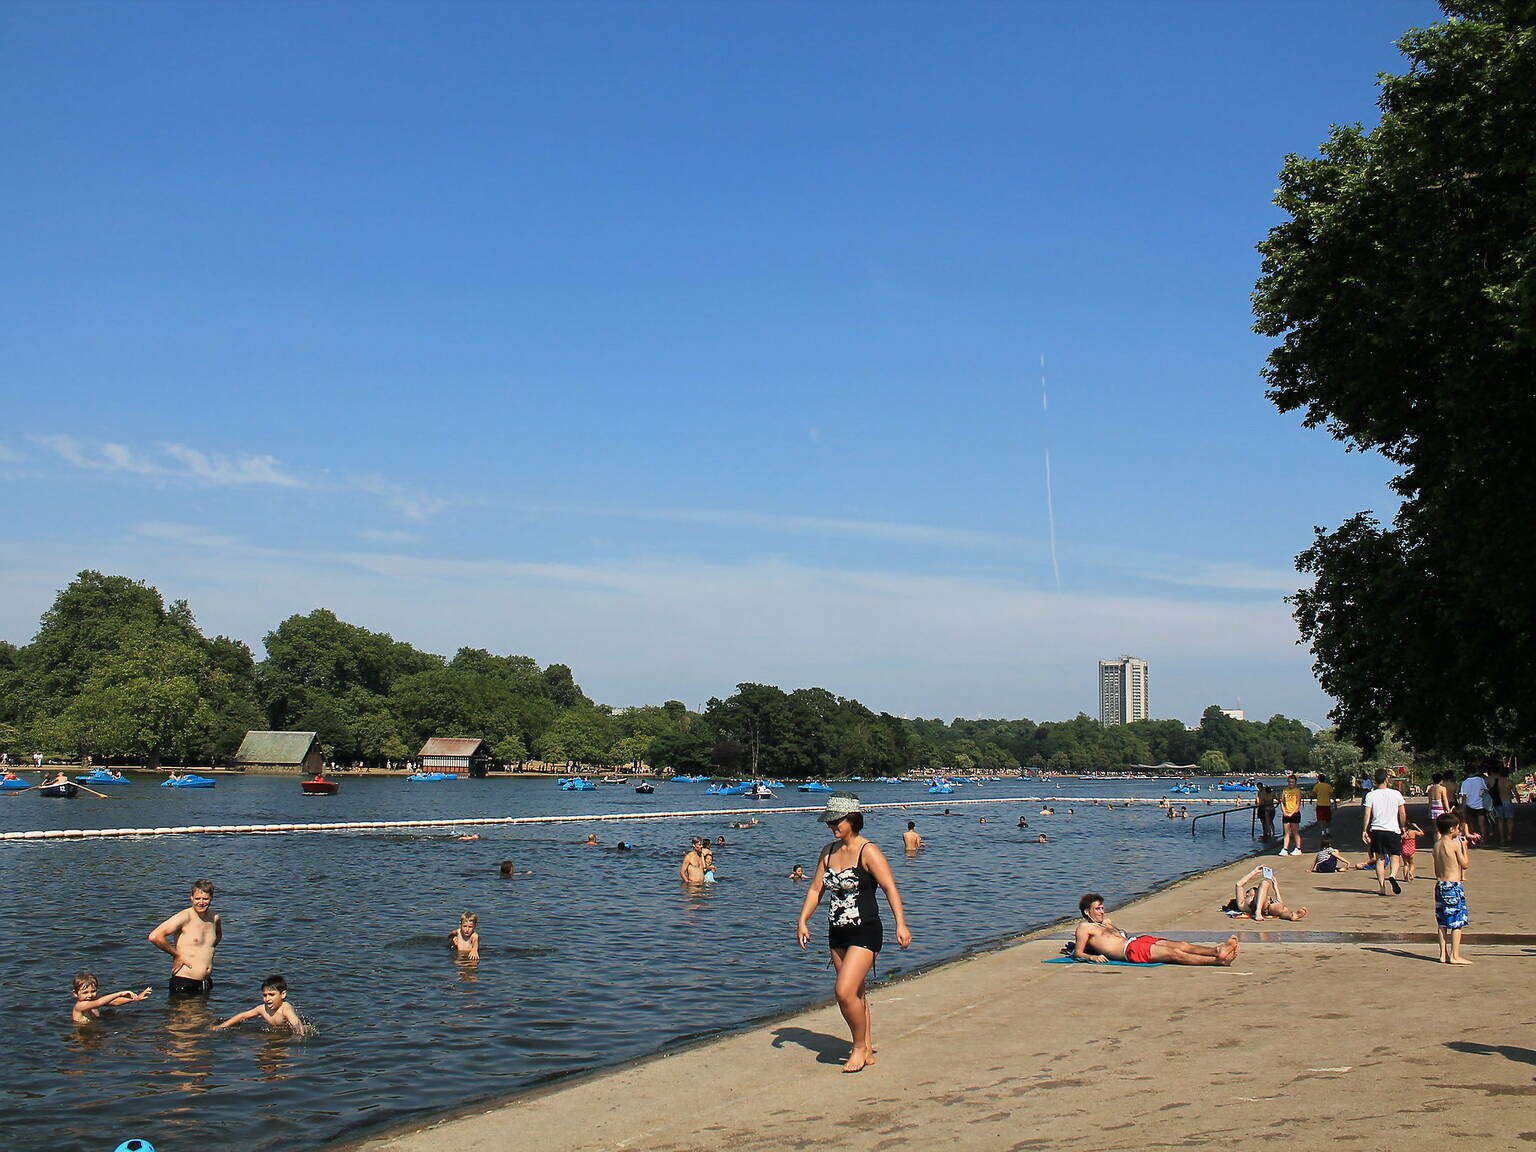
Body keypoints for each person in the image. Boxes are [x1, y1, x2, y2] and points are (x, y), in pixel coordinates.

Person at [795, 793, 911, 1074]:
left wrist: (901, 924)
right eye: (829, 821)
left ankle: (857, 1047)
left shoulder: (868, 851)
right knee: (856, 993)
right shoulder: (828, 851)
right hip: (836, 931)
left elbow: (890, 888)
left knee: (844, 991)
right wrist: (802, 920)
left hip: (865, 930)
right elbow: (815, 889)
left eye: (836, 821)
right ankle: (866, 1047)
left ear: (852, 819)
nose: (832, 826)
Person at [1073, 894, 1237, 966]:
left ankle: (1216, 951)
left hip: (1136, 941)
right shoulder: (1085, 927)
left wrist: (1110, 926)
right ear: (1087, 911)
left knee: (1182, 945)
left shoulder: (1107, 922)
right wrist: (1092, 957)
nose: (1102, 912)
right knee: (1174, 954)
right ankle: (1217, 961)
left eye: (1102, 908)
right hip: (1129, 951)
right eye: (1098, 909)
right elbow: (1078, 953)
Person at [148, 879, 222, 995]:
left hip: (206, 982)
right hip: (185, 981)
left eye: (205, 899)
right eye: (197, 899)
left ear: (211, 898)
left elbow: (218, 936)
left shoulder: (214, 918)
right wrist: (177, 955)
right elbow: (155, 936)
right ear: (191, 898)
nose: (201, 903)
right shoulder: (184, 917)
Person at [1431, 813, 1472, 964]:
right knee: (1457, 922)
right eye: (1458, 828)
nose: (1459, 831)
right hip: (1452, 885)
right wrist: (1464, 847)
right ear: (1451, 829)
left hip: (1440, 884)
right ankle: (1455, 955)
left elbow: (1436, 869)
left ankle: (1443, 954)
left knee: (1442, 921)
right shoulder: (1454, 844)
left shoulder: (1436, 845)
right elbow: (1465, 864)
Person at [213, 974, 306, 1035]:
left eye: (272, 995)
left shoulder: (285, 1008)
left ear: (283, 995)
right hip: (276, 1032)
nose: (267, 999)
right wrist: (221, 1026)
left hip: (288, 1033)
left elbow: (295, 1022)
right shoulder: (262, 1009)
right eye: (265, 995)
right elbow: (242, 1016)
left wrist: (300, 1036)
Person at [1362, 768, 1406, 896]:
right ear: (1387, 779)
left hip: (1377, 830)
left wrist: (1364, 830)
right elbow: (1402, 813)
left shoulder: (1371, 795)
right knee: (1395, 857)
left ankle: (1382, 888)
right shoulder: (1396, 794)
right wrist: (1403, 826)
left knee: (1379, 859)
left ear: (1375, 781)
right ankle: (1392, 875)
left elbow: (1367, 814)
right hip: (1393, 829)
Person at [1225, 865, 1308, 921]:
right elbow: (1239, 885)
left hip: (1270, 907)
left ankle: (1292, 915)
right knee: (1265, 883)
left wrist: (1276, 888)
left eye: (1256, 889)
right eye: (1253, 889)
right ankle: (1258, 912)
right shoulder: (1243, 903)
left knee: (1283, 909)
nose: (1255, 889)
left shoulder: (1262, 896)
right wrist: (1254, 872)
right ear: (1247, 894)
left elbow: (1280, 903)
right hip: (1257, 908)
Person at [72, 970, 151, 1024]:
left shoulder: (93, 1000)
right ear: (75, 994)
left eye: (93, 991)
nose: (90, 995)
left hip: (94, 1026)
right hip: (83, 1032)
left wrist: (135, 998)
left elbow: (115, 1002)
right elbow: (99, 1003)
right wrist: (120, 993)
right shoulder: (80, 1006)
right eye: (85, 992)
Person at [1458, 764, 1492, 845]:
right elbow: (1486, 789)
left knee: (1471, 823)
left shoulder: (1465, 782)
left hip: (1469, 805)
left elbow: (1464, 796)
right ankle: (1483, 839)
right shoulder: (1480, 780)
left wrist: (1463, 808)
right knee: (1482, 823)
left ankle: (1473, 839)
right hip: (1480, 804)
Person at [1489, 763, 1517, 845]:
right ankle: (1509, 836)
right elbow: (1516, 793)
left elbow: (1492, 791)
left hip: (1498, 802)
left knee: (1500, 820)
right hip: (1508, 801)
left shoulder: (1497, 782)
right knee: (1509, 820)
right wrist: (1518, 801)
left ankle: (1502, 838)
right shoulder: (1510, 782)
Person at [1278, 774, 1304, 855]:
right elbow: (1282, 802)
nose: (1291, 783)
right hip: (1286, 813)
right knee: (1286, 833)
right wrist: (1284, 812)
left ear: (1295, 783)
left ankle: (1298, 848)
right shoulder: (1285, 791)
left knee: (1295, 832)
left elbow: (1298, 804)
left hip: (1294, 813)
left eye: (1292, 782)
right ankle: (1285, 848)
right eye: (1289, 782)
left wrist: (1291, 813)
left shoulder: (1297, 791)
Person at [1426, 772, 1453, 840]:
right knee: (1441, 829)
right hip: (1440, 809)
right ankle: (1439, 843)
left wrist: (1429, 810)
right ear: (1441, 780)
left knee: (1436, 829)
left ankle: (1436, 843)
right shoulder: (1442, 788)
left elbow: (1429, 801)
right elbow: (1445, 799)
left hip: (1433, 809)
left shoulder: (1430, 789)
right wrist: (1448, 809)